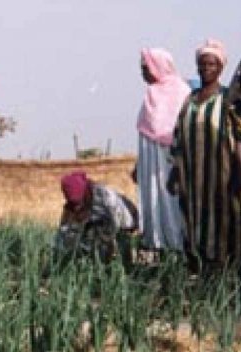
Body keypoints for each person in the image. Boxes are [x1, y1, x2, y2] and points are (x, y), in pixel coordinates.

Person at [168, 39, 241, 269]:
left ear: (221, 68)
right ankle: (198, 267)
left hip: (221, 176)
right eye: (202, 64)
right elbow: (178, 138)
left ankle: (221, 270)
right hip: (192, 179)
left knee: (222, 222)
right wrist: (175, 171)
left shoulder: (227, 101)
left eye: (212, 64)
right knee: (194, 221)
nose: (206, 68)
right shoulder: (188, 101)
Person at [133, 48, 190, 252]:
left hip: (170, 162)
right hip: (151, 164)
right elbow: (147, 134)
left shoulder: (182, 92)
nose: (143, 73)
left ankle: (178, 249)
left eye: (145, 68)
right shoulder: (150, 96)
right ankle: (157, 245)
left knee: (171, 202)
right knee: (153, 199)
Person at [54, 171, 138, 263]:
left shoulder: (103, 196)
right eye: (75, 204)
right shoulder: (71, 206)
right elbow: (63, 232)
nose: (77, 207)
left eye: (79, 203)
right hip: (101, 220)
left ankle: (124, 269)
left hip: (125, 219)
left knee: (114, 245)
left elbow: (111, 228)